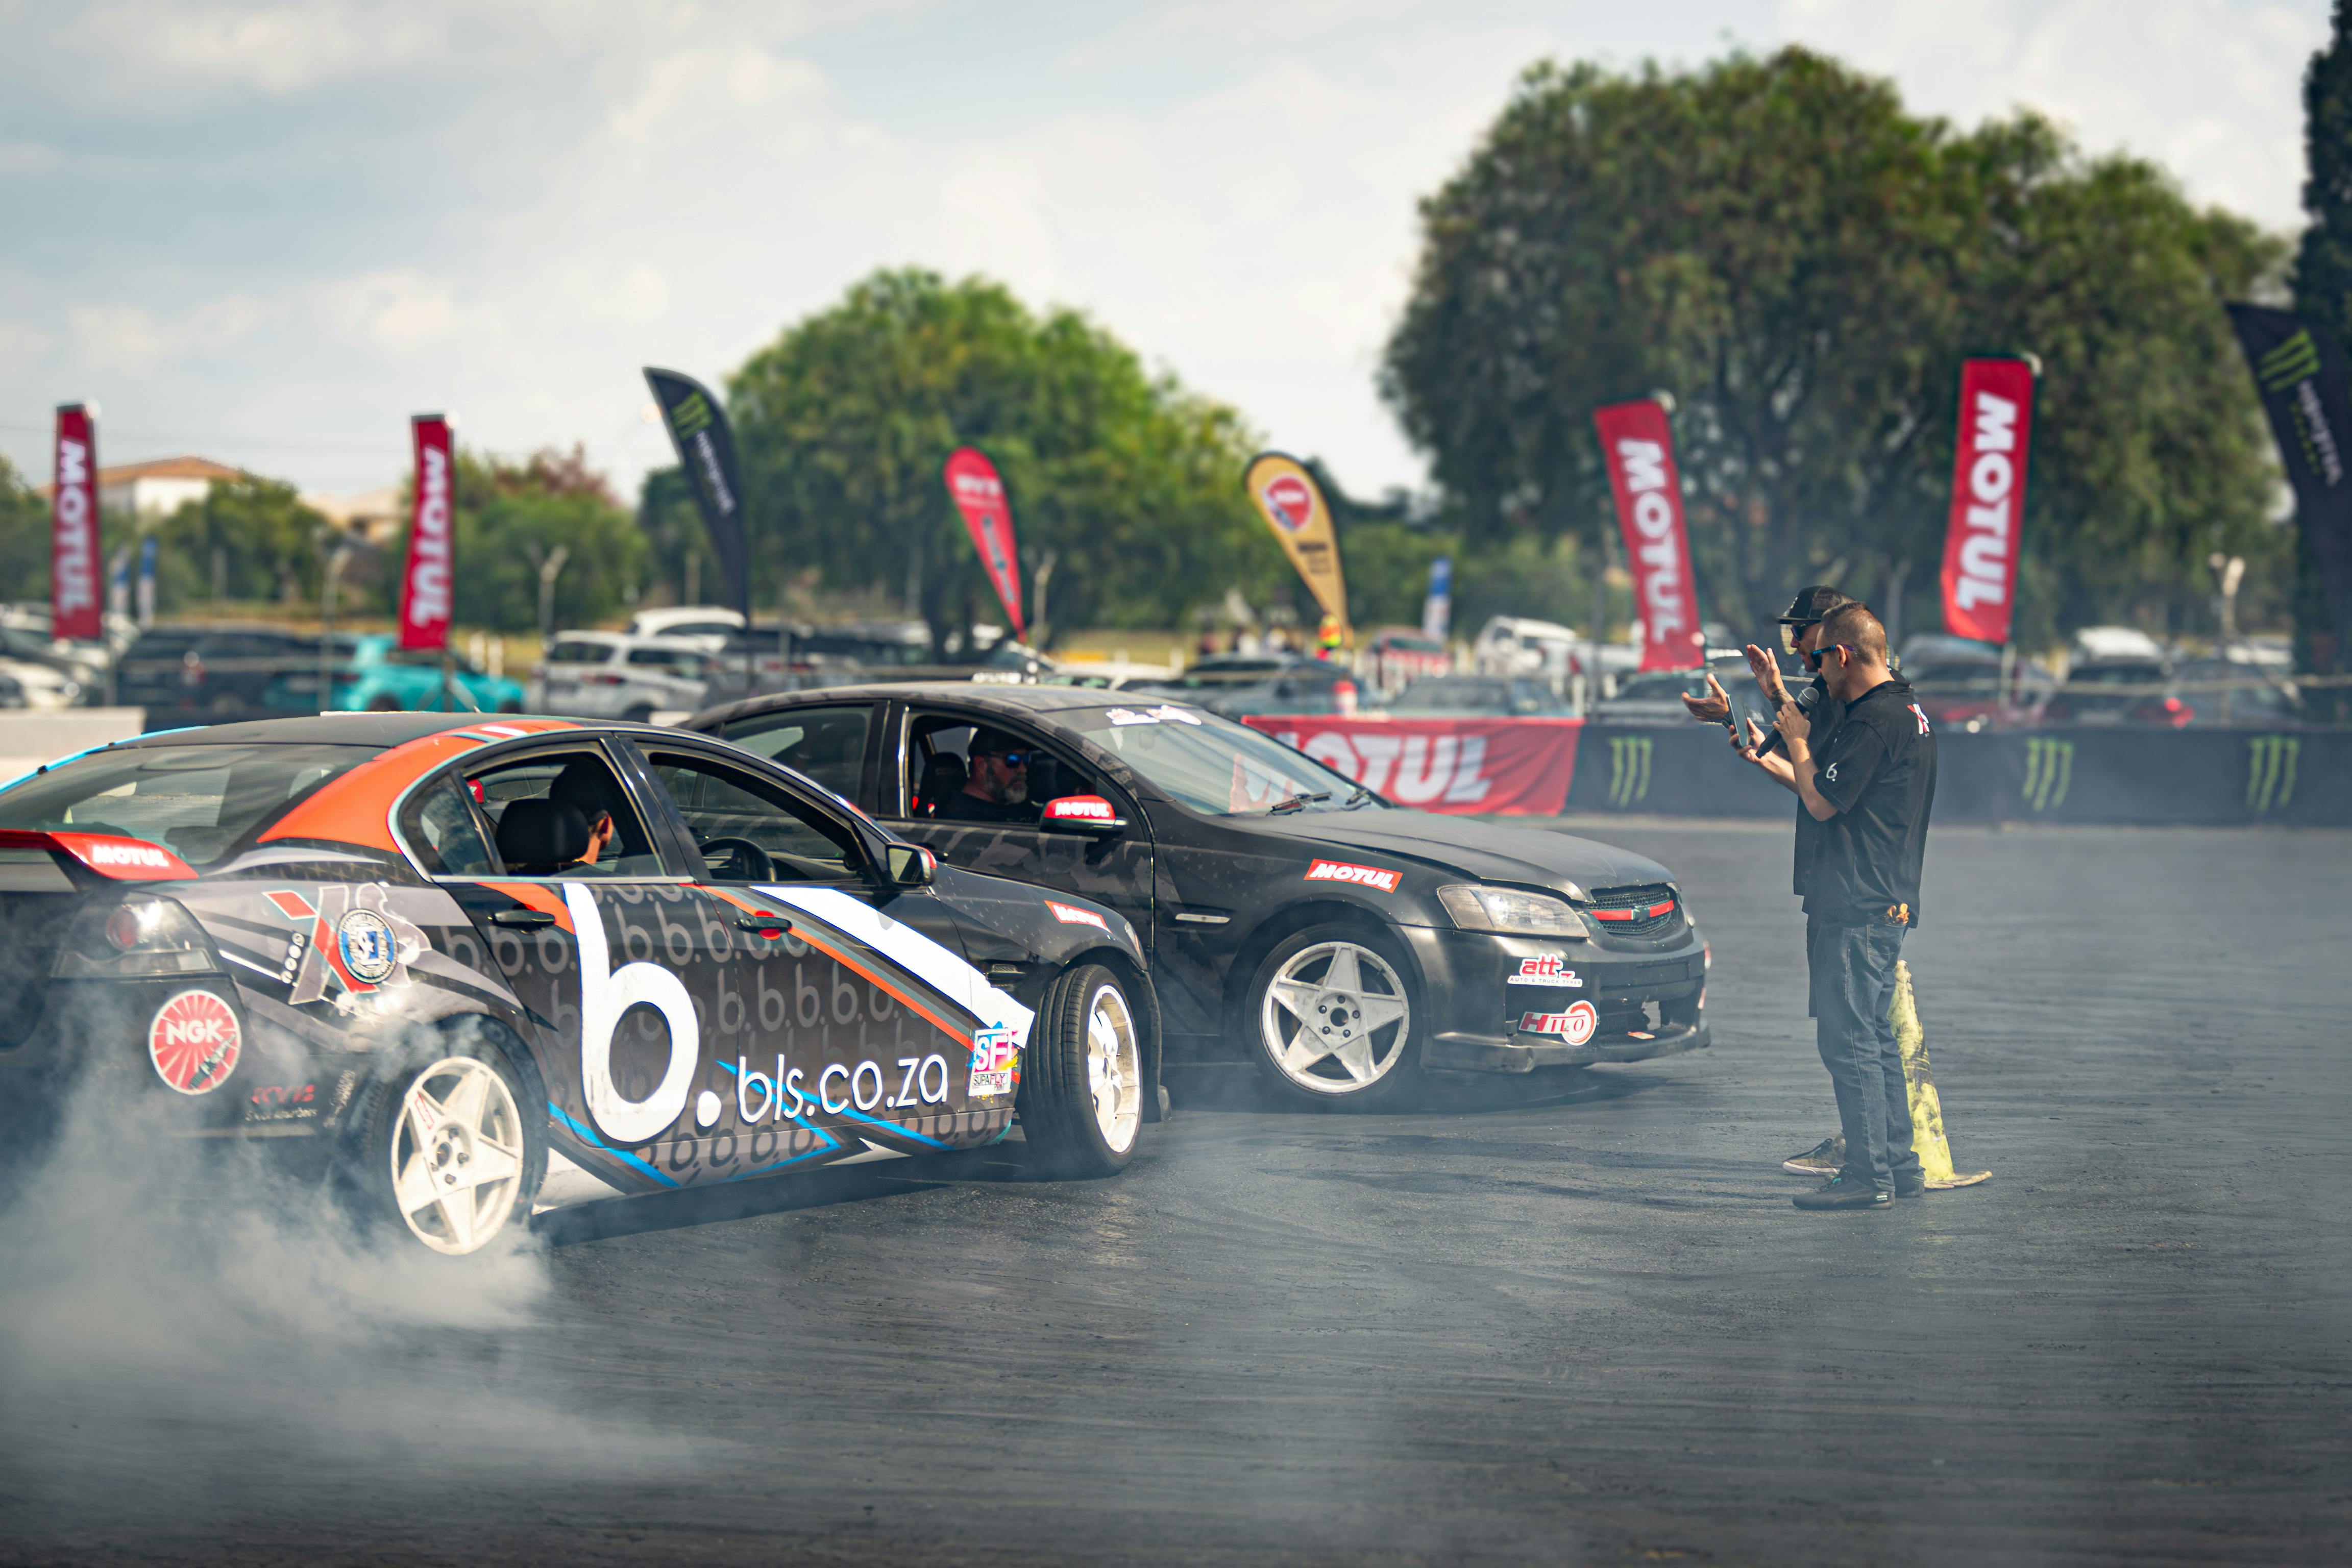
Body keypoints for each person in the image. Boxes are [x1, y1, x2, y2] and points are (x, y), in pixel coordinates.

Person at [1734, 603, 1938, 1211]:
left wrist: (1795, 742)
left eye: (1820, 657)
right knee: (1873, 1038)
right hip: (1885, 899)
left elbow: (1822, 800)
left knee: (1848, 1041)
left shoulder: (1875, 723)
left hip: (1858, 903)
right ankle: (1899, 1167)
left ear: (1843, 655)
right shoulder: (1908, 711)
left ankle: (1867, 1176)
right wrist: (1776, 703)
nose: (1816, 670)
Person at [1682, 585, 1860, 1178]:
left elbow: (1821, 778)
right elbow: (1796, 762)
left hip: (1857, 887)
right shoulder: (1823, 689)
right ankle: (1866, 1141)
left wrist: (1773, 705)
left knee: (1854, 1029)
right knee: (1841, 1027)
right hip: (1832, 880)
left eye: (1801, 631)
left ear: (1834, 638)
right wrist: (1745, 719)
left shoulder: (1854, 691)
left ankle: (1874, 1149)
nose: (1794, 643)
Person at [940, 728, 1040, 824]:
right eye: (1013, 760)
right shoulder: (961, 820)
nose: (1023, 769)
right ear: (981, 765)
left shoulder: (1020, 805)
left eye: (1026, 759)